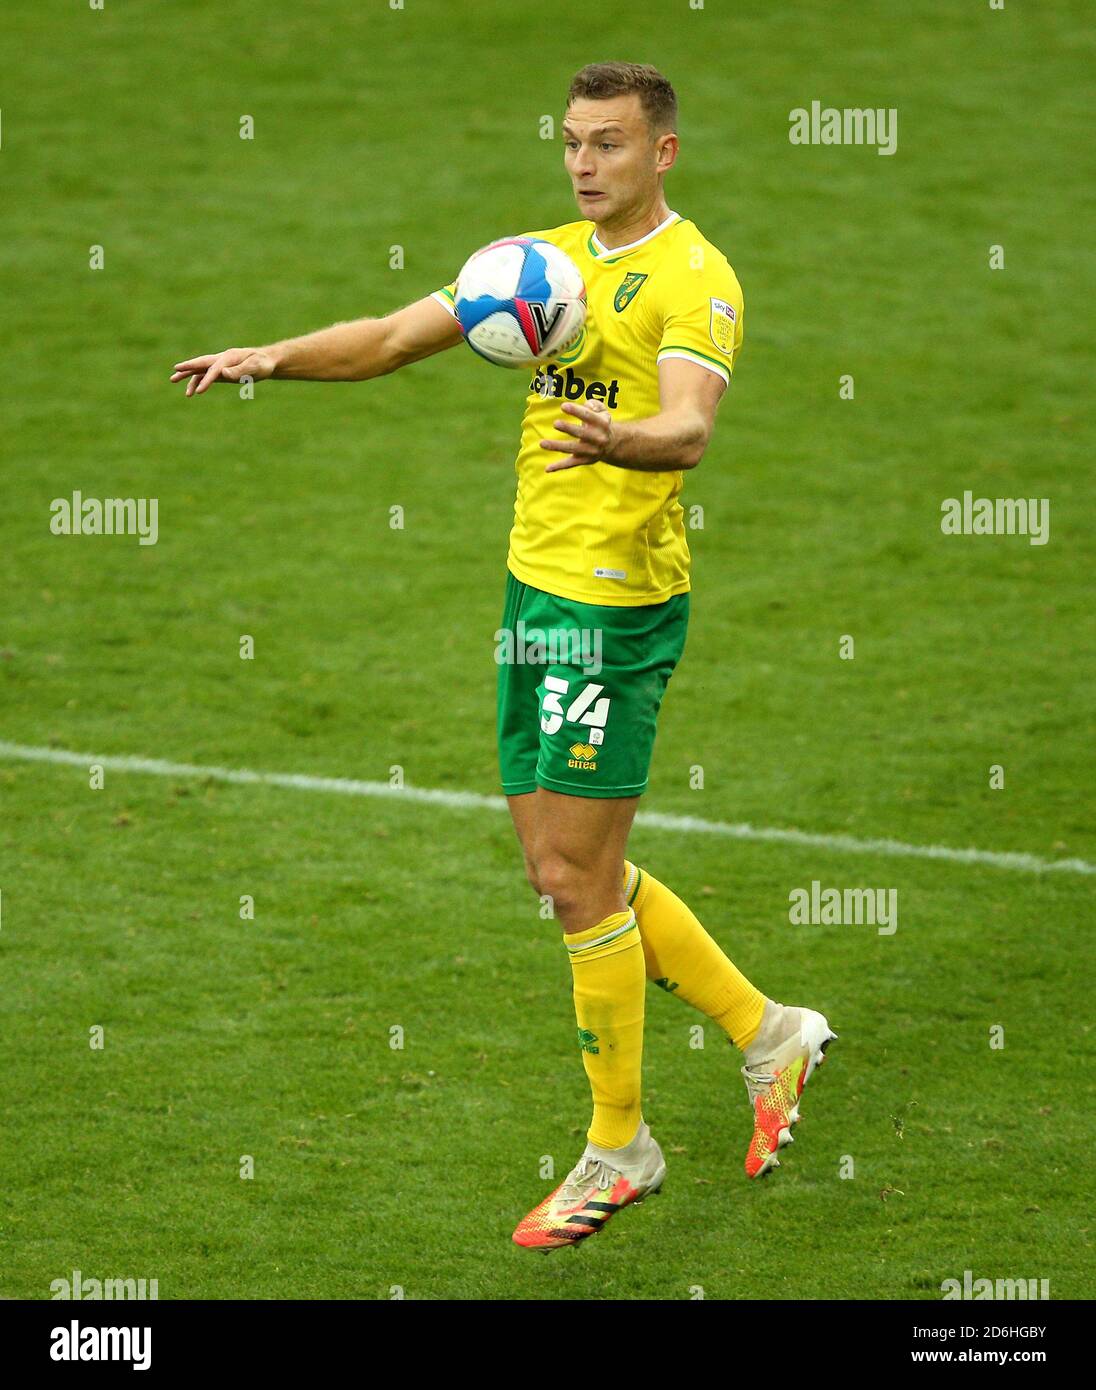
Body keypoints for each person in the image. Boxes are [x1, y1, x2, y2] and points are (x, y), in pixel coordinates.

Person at [171, 60, 836, 1254]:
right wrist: (267, 356)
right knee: (561, 868)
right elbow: (384, 338)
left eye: (610, 145)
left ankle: (620, 1147)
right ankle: (770, 1030)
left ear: (663, 153)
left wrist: (619, 437)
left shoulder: (696, 278)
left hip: (614, 608)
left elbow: (688, 426)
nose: (584, 165)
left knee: (578, 880)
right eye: (573, 143)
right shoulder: (527, 266)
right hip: (534, 593)